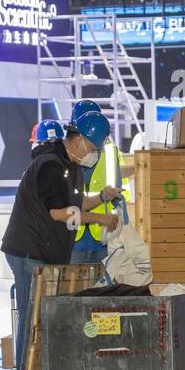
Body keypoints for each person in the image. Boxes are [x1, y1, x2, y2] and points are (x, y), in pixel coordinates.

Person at [0, 111, 121, 370]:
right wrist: (99, 218)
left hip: (43, 249)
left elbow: (75, 205)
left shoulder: (72, 166)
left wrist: (102, 196)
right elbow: (58, 212)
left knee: (41, 313)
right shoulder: (50, 165)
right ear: (77, 141)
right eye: (92, 148)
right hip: (27, 250)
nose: (95, 154)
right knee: (31, 313)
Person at [69, 101, 128, 265]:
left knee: (96, 287)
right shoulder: (67, 155)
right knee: (75, 287)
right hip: (73, 235)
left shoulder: (110, 153)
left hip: (101, 236)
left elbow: (119, 191)